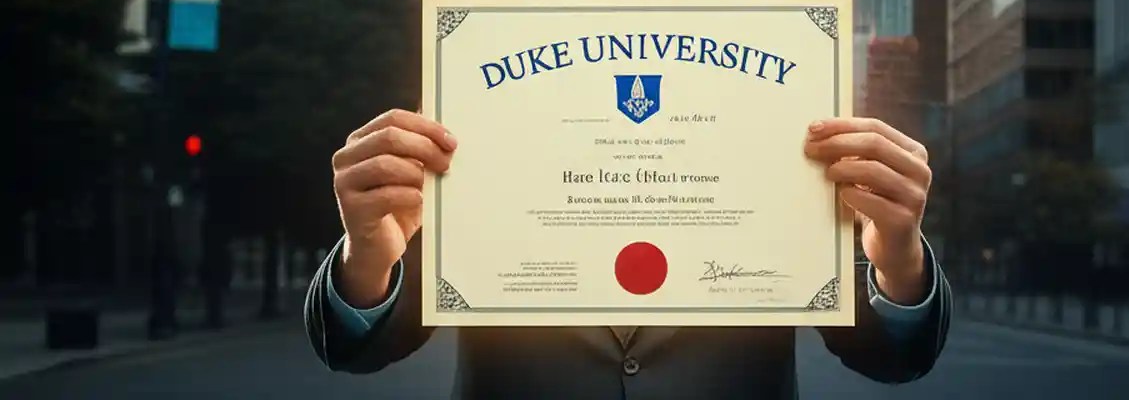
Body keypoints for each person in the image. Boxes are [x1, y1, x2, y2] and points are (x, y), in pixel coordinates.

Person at [303, 109, 951, 398]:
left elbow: (891, 354)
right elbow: (356, 347)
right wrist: (368, 256)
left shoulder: (772, 165)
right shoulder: (491, 156)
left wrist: (897, 259)